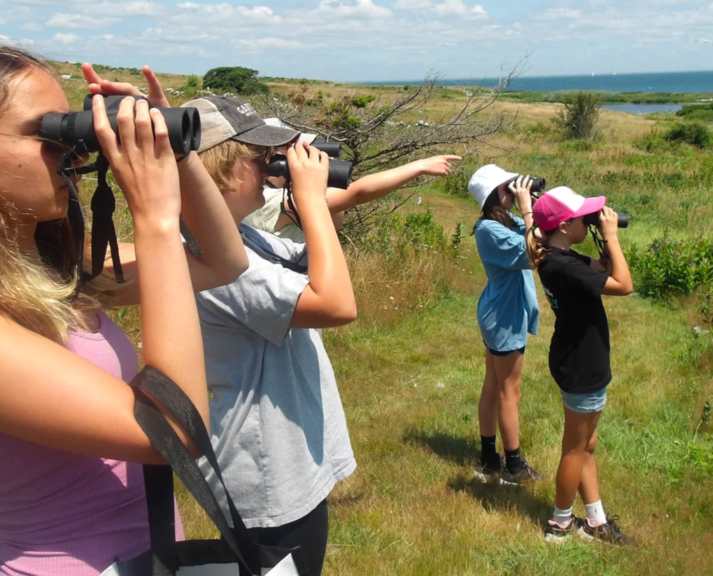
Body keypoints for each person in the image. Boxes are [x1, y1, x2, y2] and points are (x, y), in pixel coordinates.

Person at [0, 38, 249, 575]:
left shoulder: (49, 274)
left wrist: (177, 153)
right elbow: (173, 429)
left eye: (68, 128)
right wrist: (156, 220)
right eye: (48, 134)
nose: (73, 153)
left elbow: (222, 261)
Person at [180, 95, 359, 576]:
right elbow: (336, 304)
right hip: (268, 473)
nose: (269, 166)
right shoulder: (207, 257)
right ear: (218, 167)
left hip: (288, 458)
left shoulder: (240, 238)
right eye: (258, 157)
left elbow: (317, 266)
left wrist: (314, 207)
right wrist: (314, 201)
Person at [527, 186, 636, 546]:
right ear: (564, 225)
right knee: (575, 448)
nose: (589, 219)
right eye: (582, 217)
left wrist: (603, 240)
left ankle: (595, 520)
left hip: (575, 359)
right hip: (582, 366)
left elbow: (604, 267)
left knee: (586, 444)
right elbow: (623, 284)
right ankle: (559, 524)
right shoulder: (564, 265)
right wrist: (611, 237)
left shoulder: (560, 258)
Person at [244, 118, 460, 243]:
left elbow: (335, 224)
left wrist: (325, 178)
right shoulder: (268, 200)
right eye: (295, 148)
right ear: (272, 155)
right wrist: (418, 166)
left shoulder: (282, 195)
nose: (306, 152)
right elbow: (356, 193)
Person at [468, 164, 541, 485]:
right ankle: (513, 465)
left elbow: (537, 233)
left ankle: (488, 455)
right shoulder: (489, 228)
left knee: (494, 384)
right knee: (509, 392)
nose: (512, 190)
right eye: (506, 187)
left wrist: (535, 206)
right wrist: (527, 208)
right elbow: (535, 250)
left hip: (499, 312)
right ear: (493, 196)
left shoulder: (504, 221)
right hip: (503, 317)